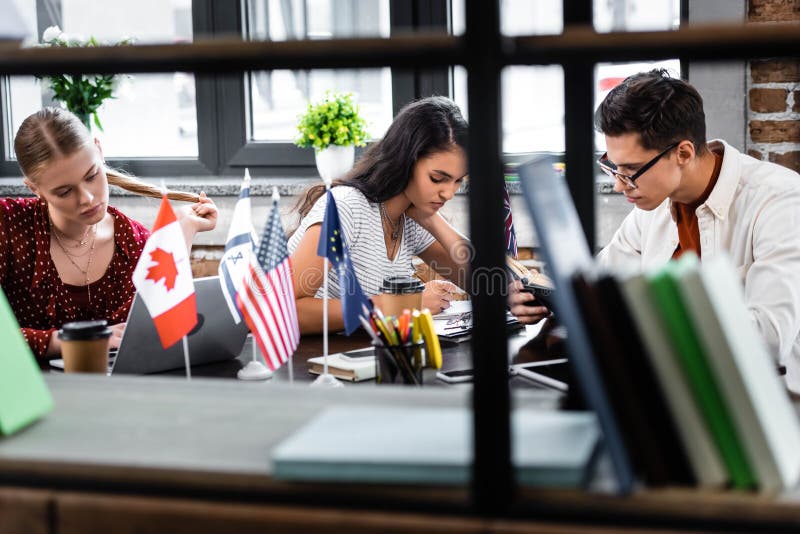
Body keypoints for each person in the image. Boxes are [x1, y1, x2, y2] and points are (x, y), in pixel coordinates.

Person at [516, 69, 800, 392]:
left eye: (632, 171)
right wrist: (543, 295)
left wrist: (647, 319)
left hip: (770, 404)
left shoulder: (780, 202)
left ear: (683, 153)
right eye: (613, 167)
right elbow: (601, 283)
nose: (619, 184)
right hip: (677, 392)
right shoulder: (654, 205)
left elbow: (769, 337)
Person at [2, 107, 218, 360]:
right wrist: (61, 342)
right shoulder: (7, 225)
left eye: (92, 175)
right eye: (64, 192)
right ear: (34, 188)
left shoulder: (135, 242)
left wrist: (183, 230)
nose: (87, 198)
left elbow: (149, 329)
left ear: (99, 150)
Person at [288, 96, 470, 333]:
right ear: (405, 161)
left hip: (361, 355)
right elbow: (287, 309)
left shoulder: (413, 215)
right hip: (307, 361)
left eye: (458, 181)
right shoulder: (346, 207)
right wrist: (405, 305)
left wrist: (432, 220)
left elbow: (480, 281)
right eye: (437, 178)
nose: (448, 193)